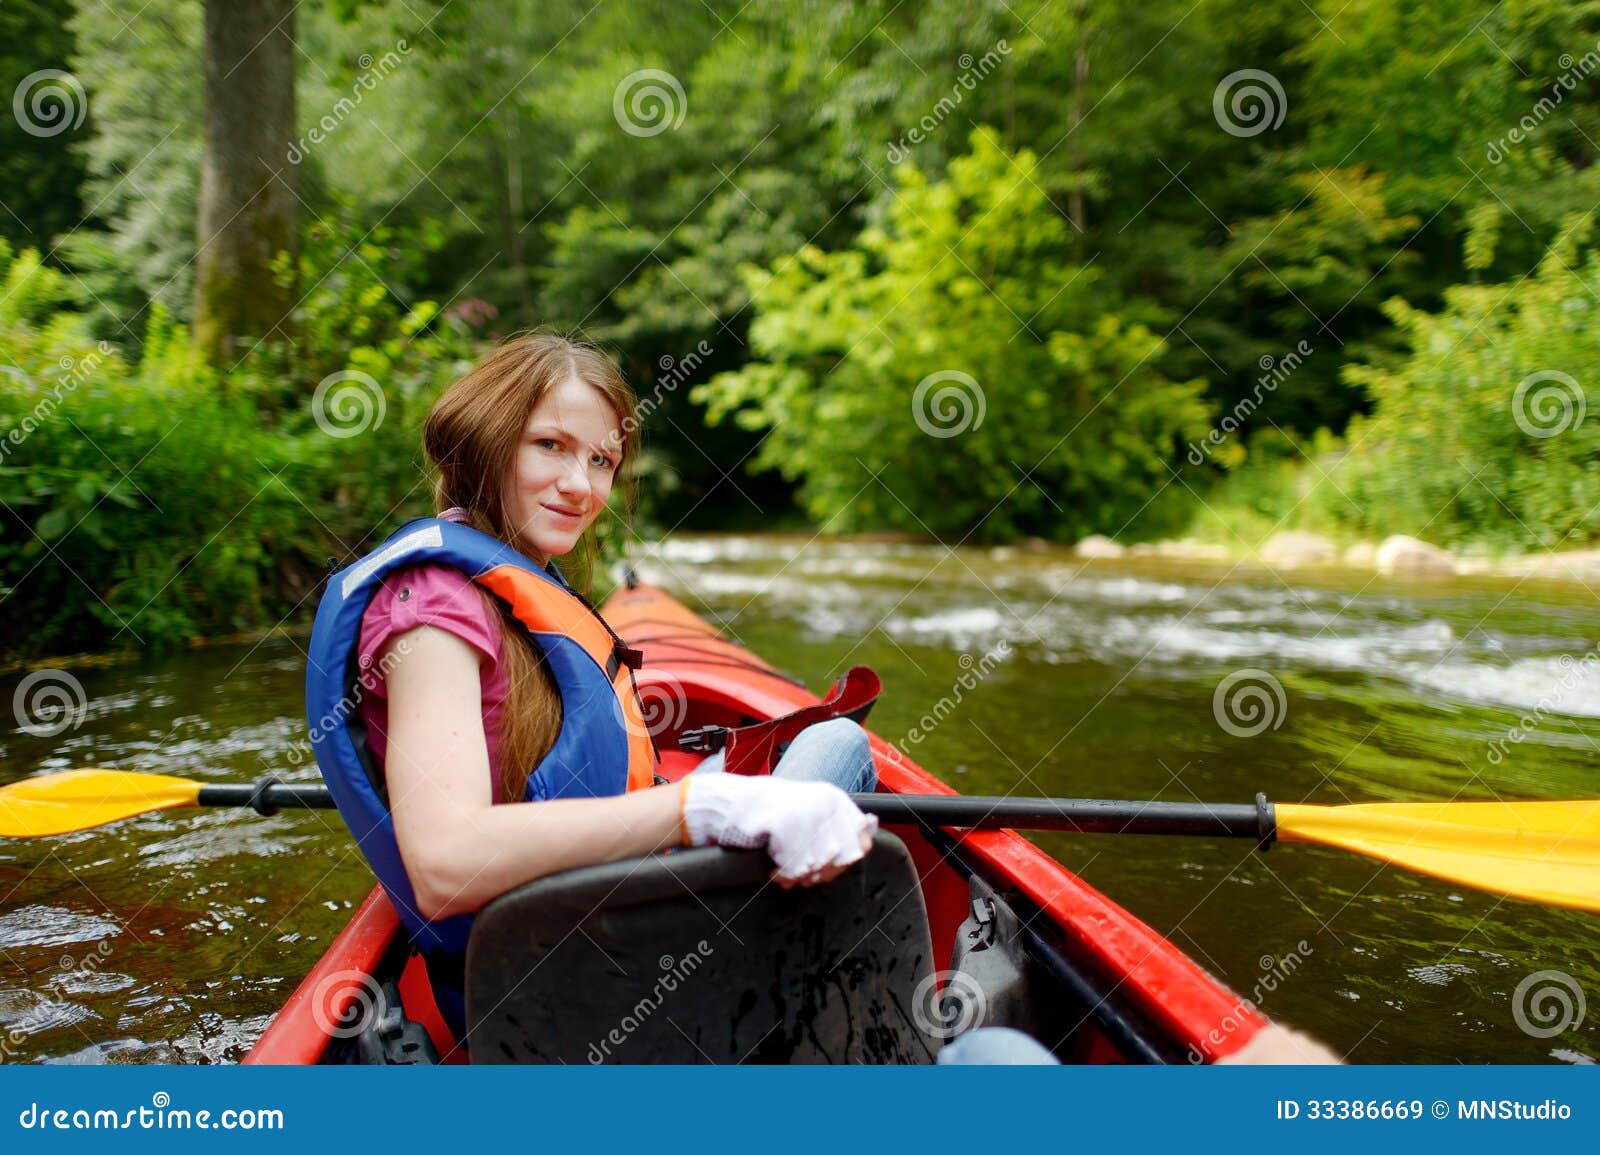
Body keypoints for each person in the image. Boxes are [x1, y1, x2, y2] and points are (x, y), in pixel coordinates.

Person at [311, 333, 878, 1043]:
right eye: (549, 444)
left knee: (799, 750)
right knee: (837, 745)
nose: (581, 484)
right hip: (568, 1002)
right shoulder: (432, 608)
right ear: (486, 438)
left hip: (604, 929)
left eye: (600, 459)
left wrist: (702, 800)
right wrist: (700, 806)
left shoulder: (509, 580)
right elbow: (445, 864)